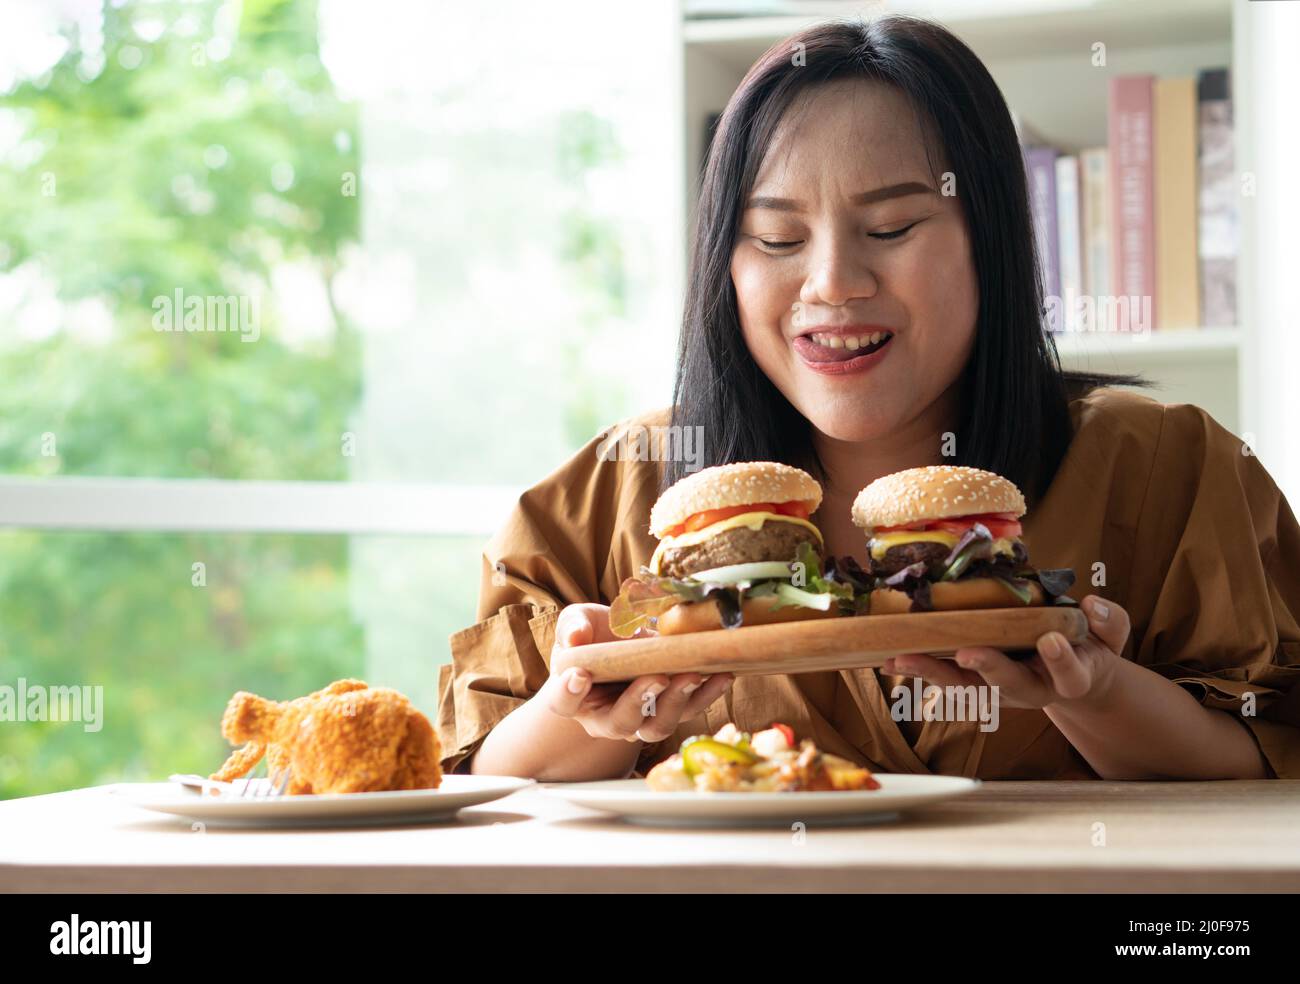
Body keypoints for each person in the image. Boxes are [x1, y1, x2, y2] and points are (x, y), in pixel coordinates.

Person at [435, 16, 1300, 782]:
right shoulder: (621, 488)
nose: (834, 284)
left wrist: (1095, 689)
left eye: (891, 229)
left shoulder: (1171, 468)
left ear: (988, 239)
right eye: (776, 237)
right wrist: (585, 706)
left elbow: (1270, 754)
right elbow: (482, 772)